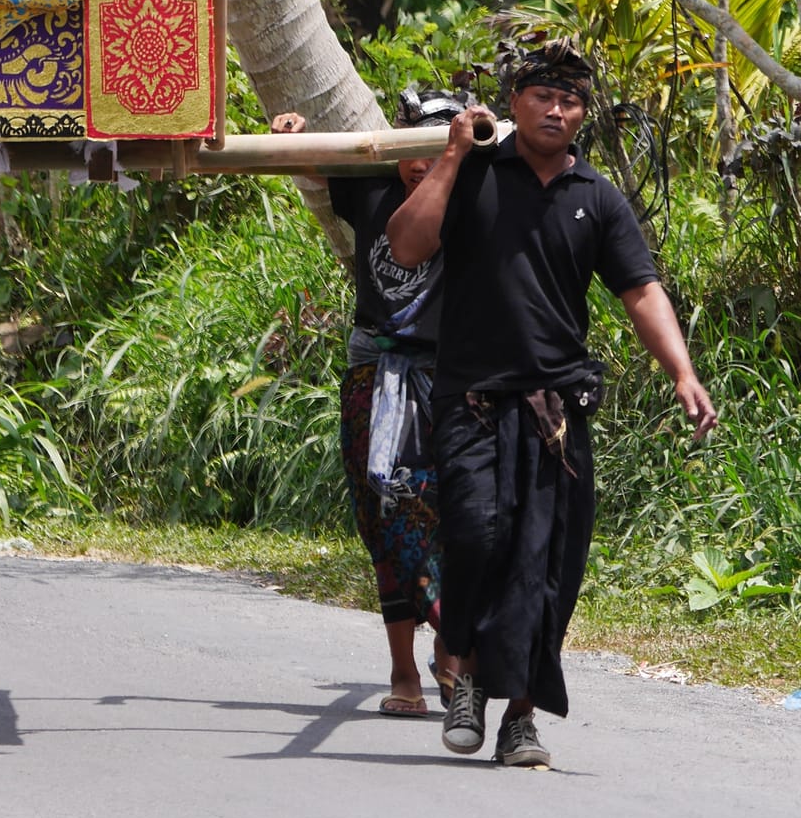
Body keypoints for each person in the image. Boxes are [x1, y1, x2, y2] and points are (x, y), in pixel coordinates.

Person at [385, 44, 718, 768]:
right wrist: (449, 154)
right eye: (543, 96)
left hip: (556, 407)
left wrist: (682, 372)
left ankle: (521, 720)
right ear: (515, 101)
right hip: (470, 399)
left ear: (582, 113)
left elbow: (640, 290)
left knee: (546, 566)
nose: (557, 110)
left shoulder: (595, 196)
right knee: (476, 534)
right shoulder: (474, 173)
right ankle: (466, 670)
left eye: (571, 101)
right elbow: (407, 246)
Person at [272, 95, 462, 718]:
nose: (419, 164)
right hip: (374, 372)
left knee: (452, 517)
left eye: (435, 151)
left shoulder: (478, 198)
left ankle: (453, 647)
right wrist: (296, 135)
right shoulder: (371, 187)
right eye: (411, 149)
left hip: (452, 376)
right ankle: (407, 668)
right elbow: (311, 166)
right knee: (385, 515)